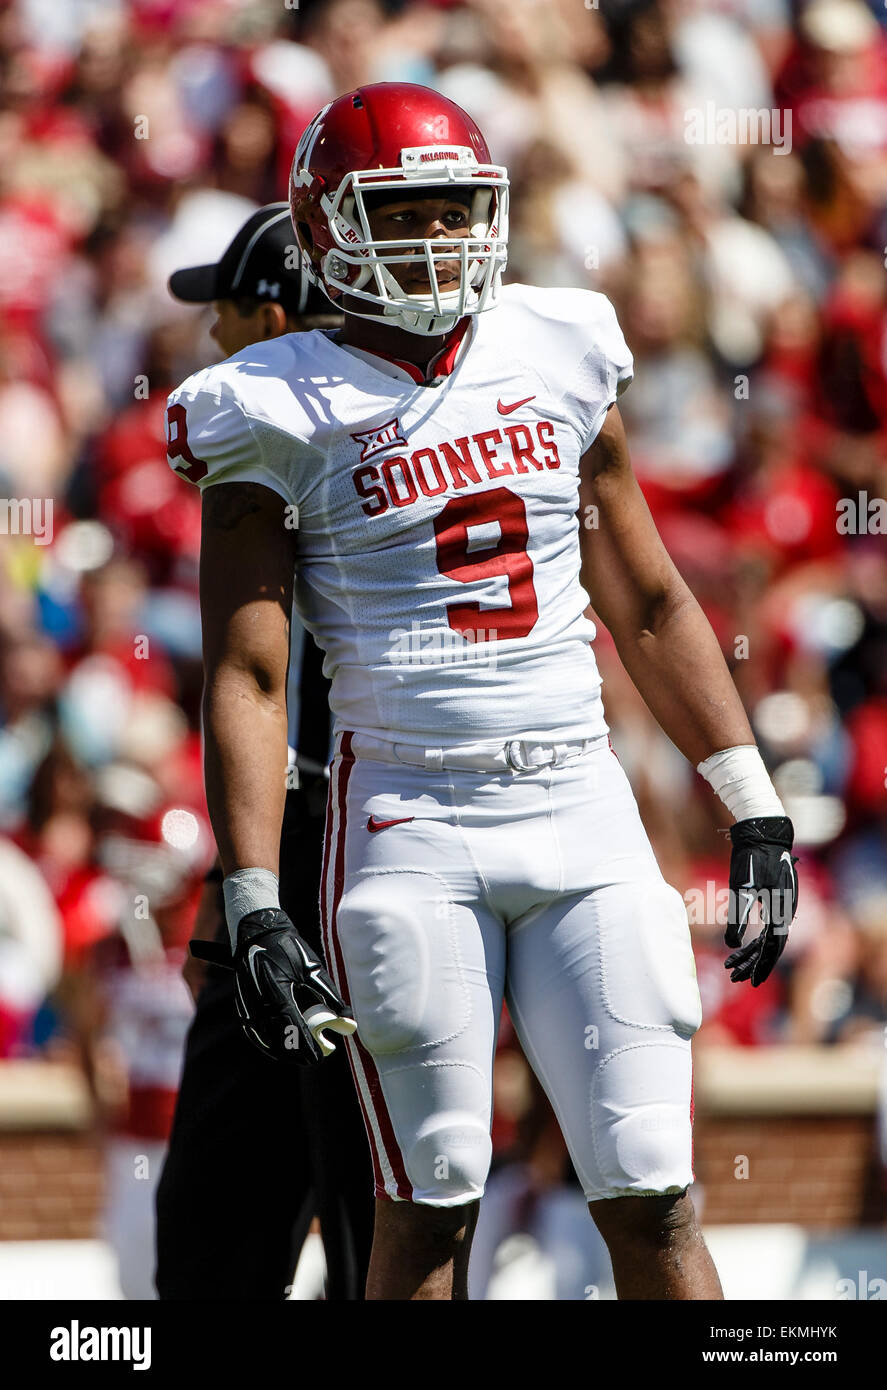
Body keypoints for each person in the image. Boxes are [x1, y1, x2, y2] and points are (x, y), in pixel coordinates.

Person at [165, 85, 799, 1301]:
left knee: (653, 1191)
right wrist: (250, 890)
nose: (442, 240)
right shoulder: (270, 399)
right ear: (326, 226)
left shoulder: (557, 342)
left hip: (580, 798)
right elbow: (247, 669)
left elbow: (651, 599)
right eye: (405, 212)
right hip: (404, 816)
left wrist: (748, 801)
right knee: (429, 1205)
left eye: (460, 208)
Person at [155, 204, 374, 1301]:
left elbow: (262, 692)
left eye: (229, 312)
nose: (209, 339)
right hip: (337, 848)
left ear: (277, 314)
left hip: (342, 850)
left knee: (358, 1236)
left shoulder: (302, 463)